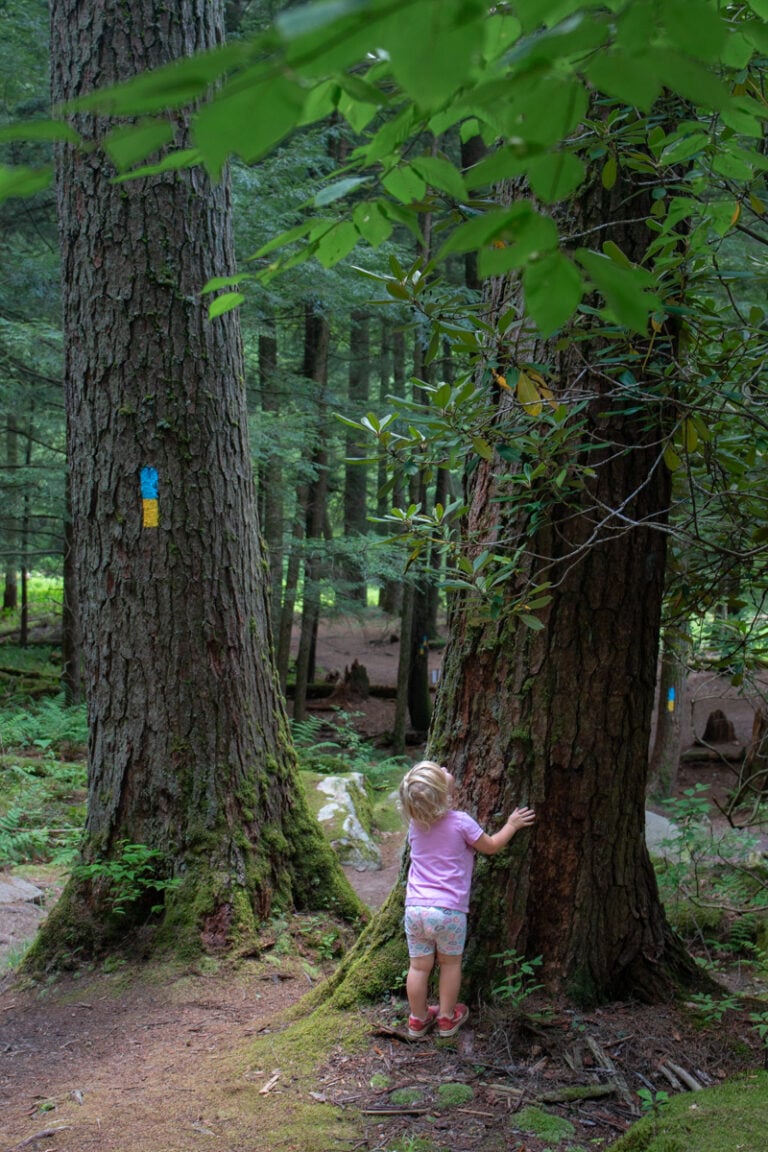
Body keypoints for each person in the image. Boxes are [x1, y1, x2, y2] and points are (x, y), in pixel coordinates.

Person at [398, 759, 535, 1040]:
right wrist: (511, 824)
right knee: (449, 964)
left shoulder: (415, 824)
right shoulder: (461, 823)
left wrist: (440, 784)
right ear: (443, 794)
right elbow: (493, 846)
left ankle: (417, 1019)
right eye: (443, 774)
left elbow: (431, 800)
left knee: (418, 967)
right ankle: (447, 1018)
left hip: (415, 910)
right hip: (449, 912)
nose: (448, 771)